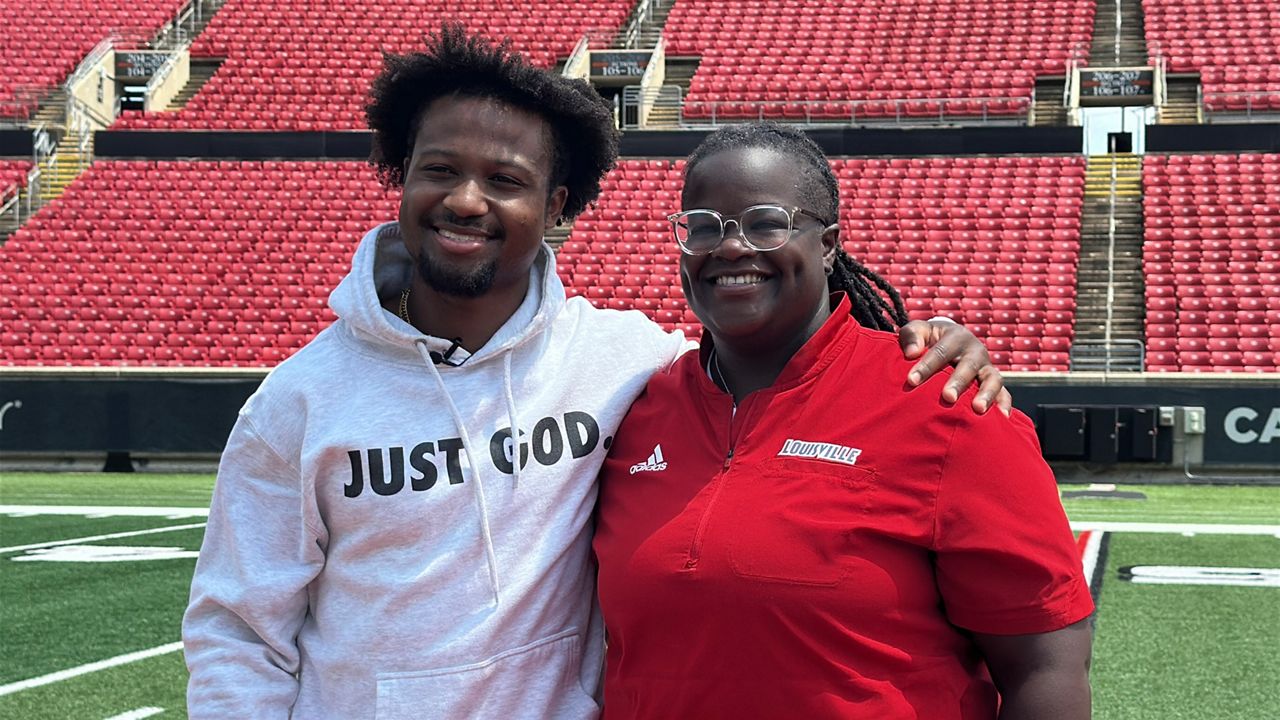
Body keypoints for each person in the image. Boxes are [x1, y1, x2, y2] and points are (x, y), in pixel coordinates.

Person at [183, 26, 1010, 719]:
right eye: (439, 169)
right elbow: (237, 634)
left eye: (506, 181)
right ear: (399, 179)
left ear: (556, 209)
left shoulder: (628, 361)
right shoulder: (294, 404)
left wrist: (931, 338)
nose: (467, 200)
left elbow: (775, 374)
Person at [593, 122, 1094, 720]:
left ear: (828, 244)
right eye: (702, 227)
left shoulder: (943, 405)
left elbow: (1046, 667)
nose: (728, 247)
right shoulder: (634, 408)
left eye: (766, 223)